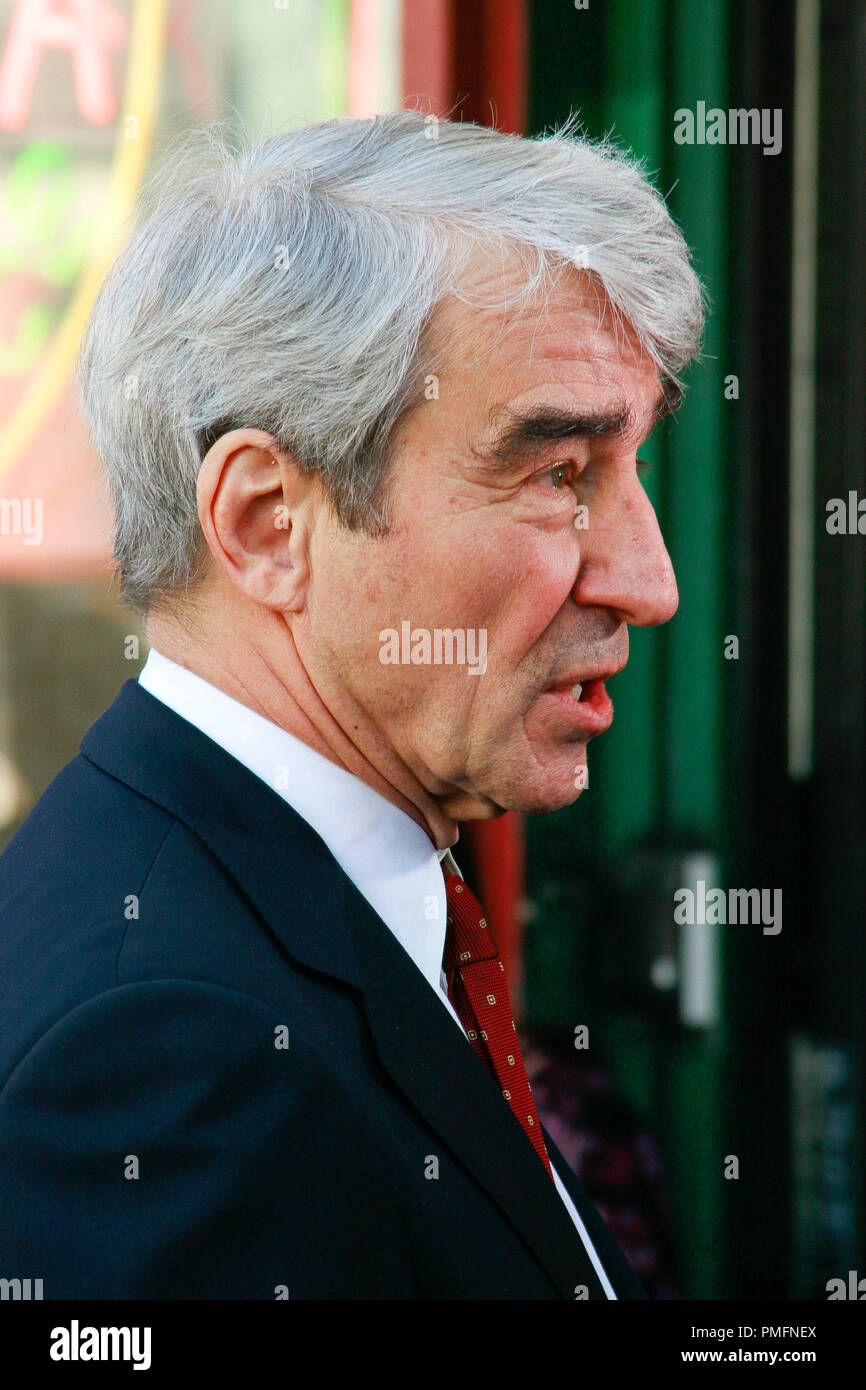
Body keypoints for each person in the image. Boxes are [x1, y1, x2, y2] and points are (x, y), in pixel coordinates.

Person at [0, 111, 704, 1299]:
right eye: (556, 475)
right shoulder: (172, 1047)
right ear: (266, 524)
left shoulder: (266, 908)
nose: (648, 582)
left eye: (630, 465)